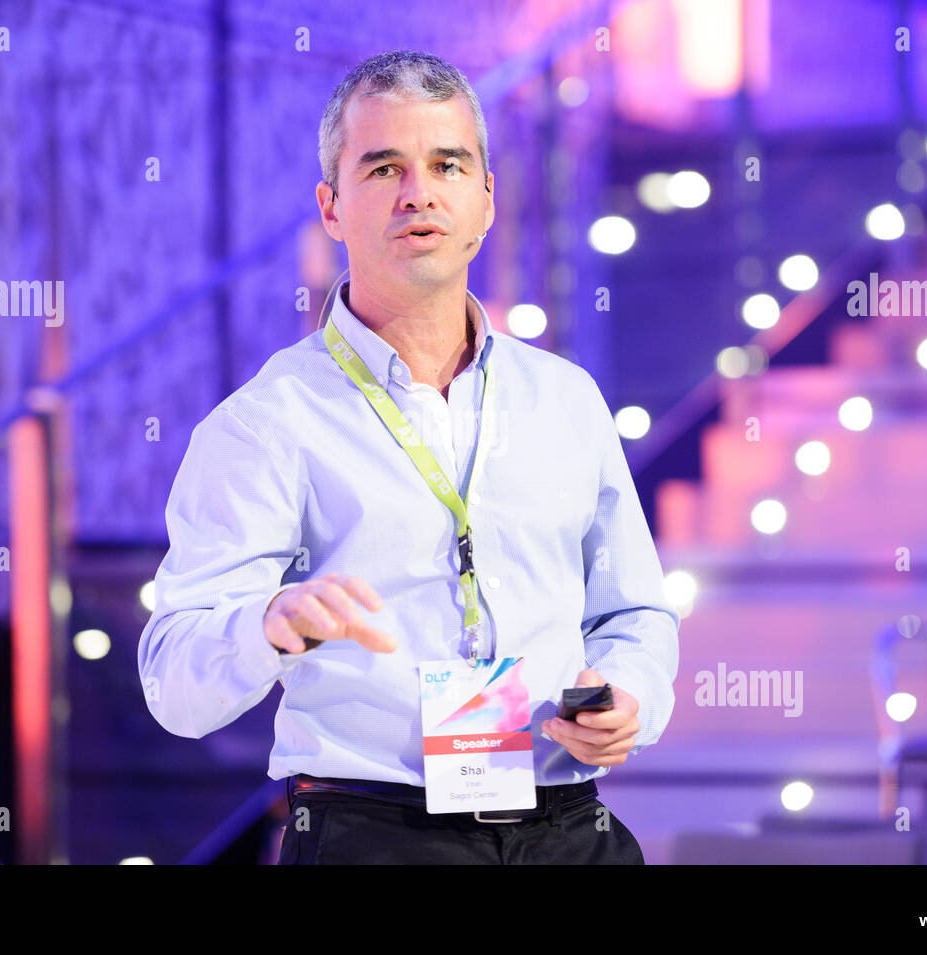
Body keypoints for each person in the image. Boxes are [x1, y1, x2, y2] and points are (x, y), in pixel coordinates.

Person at [137, 50, 679, 865]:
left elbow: (633, 613)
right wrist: (265, 626)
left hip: (571, 827)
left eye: (447, 164)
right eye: (383, 166)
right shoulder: (266, 422)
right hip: (374, 834)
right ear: (330, 206)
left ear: (486, 197)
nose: (418, 192)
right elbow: (175, 682)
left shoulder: (566, 399)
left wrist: (627, 695)